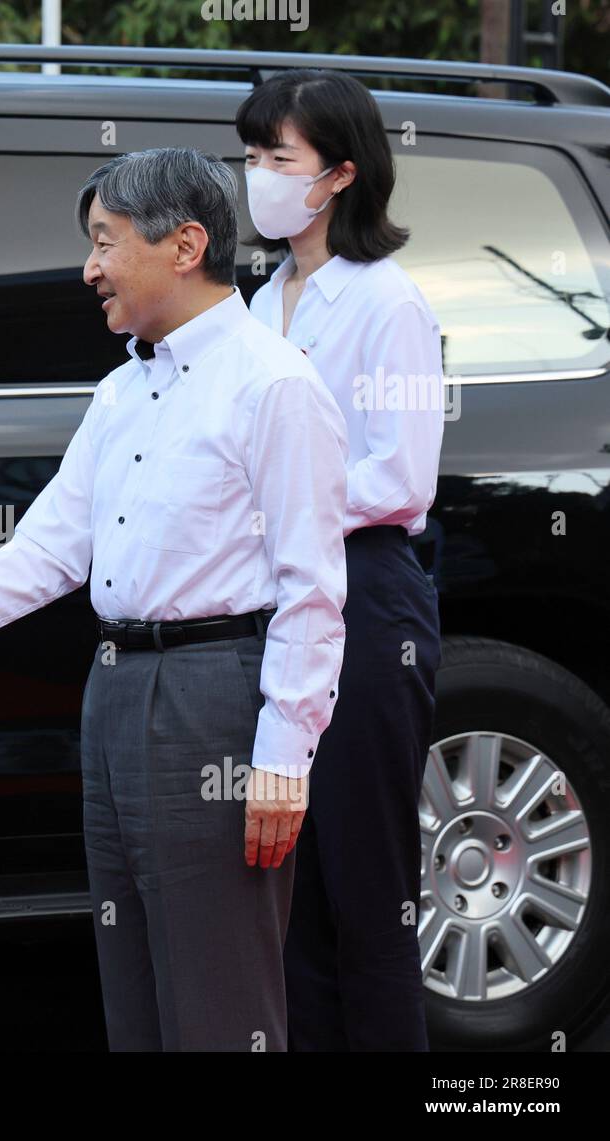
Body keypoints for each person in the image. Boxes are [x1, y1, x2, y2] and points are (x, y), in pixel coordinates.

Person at [0, 147, 349, 1051]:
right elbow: (50, 546)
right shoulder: (124, 387)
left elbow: (312, 589)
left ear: (186, 244)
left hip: (214, 702)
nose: (88, 270)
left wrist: (284, 755)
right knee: (134, 992)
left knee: (218, 997)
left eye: (104, 242)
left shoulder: (274, 384)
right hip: (116, 693)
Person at [237, 68, 445, 1051]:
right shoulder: (258, 296)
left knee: (366, 889)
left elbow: (399, 478)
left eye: (278, 159)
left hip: (363, 600)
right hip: (274, 601)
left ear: (339, 176)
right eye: (252, 155)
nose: (258, 176)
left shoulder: (386, 302)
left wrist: (276, 498)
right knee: (292, 902)